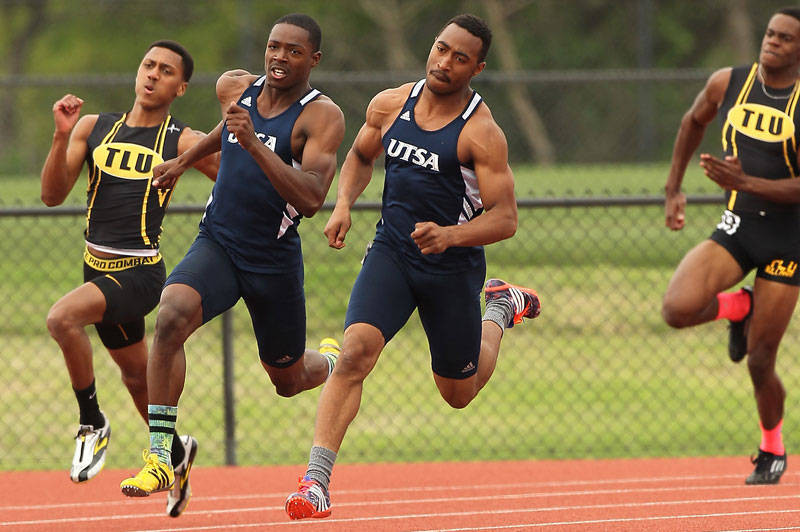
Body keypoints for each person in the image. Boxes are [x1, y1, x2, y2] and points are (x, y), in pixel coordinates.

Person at [284, 13, 541, 520]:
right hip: (393, 253)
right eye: (441, 49)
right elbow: (361, 155)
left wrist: (450, 236)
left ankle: (499, 308)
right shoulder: (390, 103)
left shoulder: (482, 134)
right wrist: (343, 205)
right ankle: (316, 482)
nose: (444, 62)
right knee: (355, 353)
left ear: (477, 68)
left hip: (452, 268)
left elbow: (506, 218)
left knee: (458, 393)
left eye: (460, 58)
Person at [119, 13, 345, 500]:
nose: (280, 57)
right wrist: (183, 161)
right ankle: (160, 456)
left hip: (272, 259)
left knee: (288, 379)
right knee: (171, 316)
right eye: (274, 46)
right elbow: (227, 128)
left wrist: (254, 143)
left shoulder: (322, 116)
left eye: (294, 51)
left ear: (314, 59)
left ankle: (329, 361)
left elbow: (310, 198)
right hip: (218, 241)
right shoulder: (236, 87)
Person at [41, 40, 218, 517]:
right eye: (148, 65)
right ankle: (176, 454)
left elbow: (234, 180)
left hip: (139, 272)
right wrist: (60, 137)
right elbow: (52, 195)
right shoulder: (92, 127)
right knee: (139, 380)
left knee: (61, 319)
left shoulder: (182, 141)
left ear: (181, 88)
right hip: (95, 267)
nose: (153, 74)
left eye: (166, 71)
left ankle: (91, 422)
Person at [662, 7, 800, 485]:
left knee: (760, 360)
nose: (773, 42)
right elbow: (692, 121)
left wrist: (748, 182)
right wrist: (673, 189)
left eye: (785, 38)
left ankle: (772, 447)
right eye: (771, 33)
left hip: (788, 241)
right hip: (739, 226)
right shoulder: (729, 82)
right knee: (677, 308)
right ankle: (739, 307)